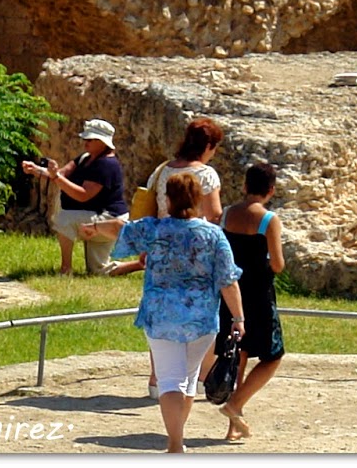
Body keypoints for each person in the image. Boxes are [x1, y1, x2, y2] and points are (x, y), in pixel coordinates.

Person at [112, 172, 244, 455]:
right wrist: (239, 317)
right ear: (198, 199)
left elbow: (120, 232)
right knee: (188, 378)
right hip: (202, 319)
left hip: (161, 317)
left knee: (169, 380)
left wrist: (93, 228)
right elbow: (228, 280)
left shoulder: (153, 229)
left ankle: (175, 443)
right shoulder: (213, 234)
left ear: (167, 199)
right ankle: (177, 437)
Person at [109, 116, 227, 395]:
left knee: (160, 314)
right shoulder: (207, 175)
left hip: (161, 248)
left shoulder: (162, 171)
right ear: (208, 145)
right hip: (197, 252)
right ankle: (198, 375)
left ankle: (157, 379)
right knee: (203, 311)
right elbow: (214, 214)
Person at [214, 161, 286, 442]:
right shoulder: (269, 220)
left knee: (238, 357)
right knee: (272, 356)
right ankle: (234, 405)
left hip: (232, 293)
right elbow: (278, 264)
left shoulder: (227, 215)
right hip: (259, 294)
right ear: (271, 190)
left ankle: (234, 424)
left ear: (244, 186)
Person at [22, 118, 128, 275]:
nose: (86, 142)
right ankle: (141, 263)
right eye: (86, 138)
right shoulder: (86, 157)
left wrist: (56, 178)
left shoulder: (106, 165)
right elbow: (62, 174)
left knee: (64, 218)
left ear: (103, 142)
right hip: (97, 219)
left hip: (109, 221)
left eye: (91, 139)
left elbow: (83, 195)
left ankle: (66, 269)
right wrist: (36, 170)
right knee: (98, 271)